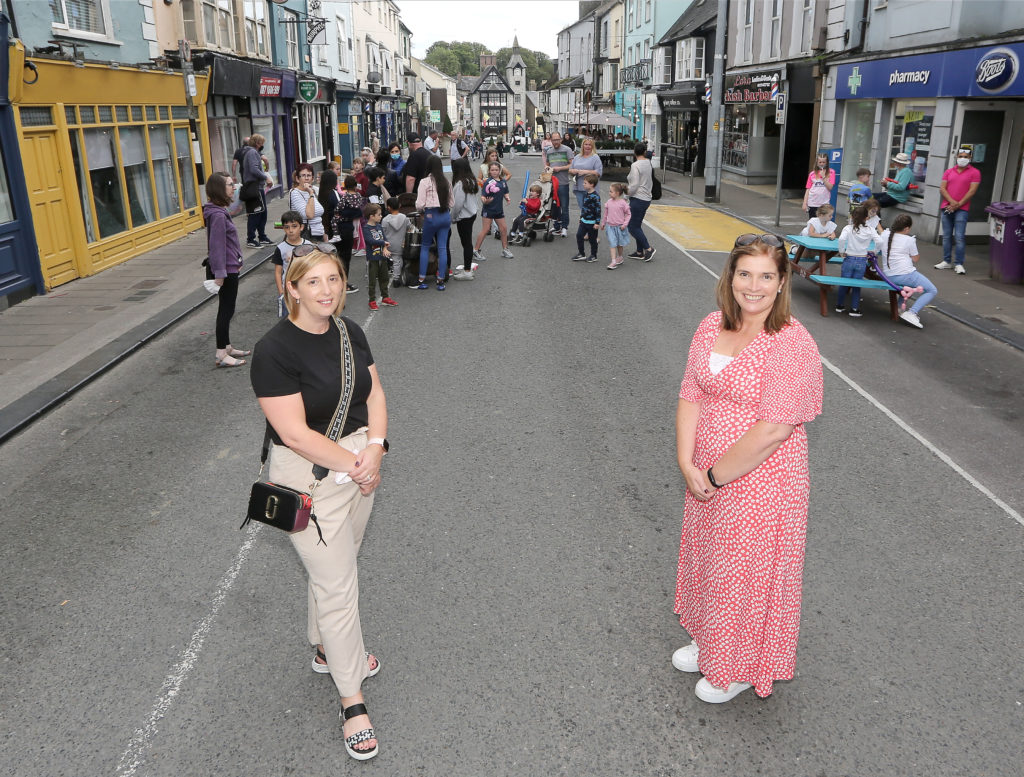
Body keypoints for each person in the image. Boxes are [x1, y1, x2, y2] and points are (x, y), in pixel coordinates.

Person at [250, 246, 388, 761]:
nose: (327, 290)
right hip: (309, 474)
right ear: (292, 288)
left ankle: (328, 649)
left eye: (334, 279)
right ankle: (351, 699)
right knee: (337, 585)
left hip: (358, 461)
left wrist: (375, 448)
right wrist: (356, 464)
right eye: (314, 282)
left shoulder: (350, 332)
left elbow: (374, 393)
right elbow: (294, 434)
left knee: (340, 565)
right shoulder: (273, 351)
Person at [673, 232, 823, 704]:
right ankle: (711, 643)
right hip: (706, 471)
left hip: (761, 478)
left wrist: (713, 475)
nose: (752, 286)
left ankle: (737, 668)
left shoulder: (791, 342)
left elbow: (774, 430)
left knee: (747, 571)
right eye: (744, 274)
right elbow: (690, 393)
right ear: (730, 277)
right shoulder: (710, 325)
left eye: (766, 276)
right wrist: (686, 463)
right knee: (711, 557)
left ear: (782, 283)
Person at [203, 172, 249, 367]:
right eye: (230, 185)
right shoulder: (218, 216)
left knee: (228, 309)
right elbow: (217, 247)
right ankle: (221, 353)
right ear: (219, 189)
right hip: (227, 270)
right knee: (225, 311)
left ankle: (227, 346)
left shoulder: (219, 211)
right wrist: (220, 275)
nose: (233, 187)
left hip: (230, 267)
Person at [879, 214, 938, 329]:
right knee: (932, 290)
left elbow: (880, 230)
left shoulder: (885, 235)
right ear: (906, 229)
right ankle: (912, 313)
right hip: (905, 274)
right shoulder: (909, 240)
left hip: (889, 276)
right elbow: (916, 258)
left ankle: (901, 309)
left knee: (908, 284)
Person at [935, 147, 981, 275]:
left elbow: (972, 191)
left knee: (959, 237)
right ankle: (946, 261)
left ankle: (959, 263)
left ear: (970, 158)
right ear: (956, 157)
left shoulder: (975, 172)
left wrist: (958, 204)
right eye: (960, 156)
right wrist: (951, 202)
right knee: (946, 236)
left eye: (966, 157)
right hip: (947, 207)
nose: (963, 159)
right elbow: (942, 188)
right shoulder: (949, 171)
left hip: (962, 209)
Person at [415, 154, 453, 290]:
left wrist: (422, 211)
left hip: (431, 216)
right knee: (442, 248)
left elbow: (419, 204)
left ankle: (421, 279)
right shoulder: (446, 181)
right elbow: (452, 202)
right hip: (445, 215)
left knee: (425, 246)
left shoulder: (424, 182)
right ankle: (441, 280)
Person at [835, 203, 876, 317]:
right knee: (857, 284)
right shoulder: (870, 229)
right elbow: (880, 241)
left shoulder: (848, 228)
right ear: (866, 218)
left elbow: (842, 239)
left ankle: (840, 305)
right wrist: (875, 251)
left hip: (849, 257)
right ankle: (854, 308)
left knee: (844, 282)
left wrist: (841, 251)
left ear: (852, 217)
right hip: (862, 259)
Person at [272, 210, 312, 318]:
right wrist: (281, 292)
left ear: (301, 227)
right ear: (283, 229)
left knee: (307, 317)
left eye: (294, 226)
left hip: (307, 289)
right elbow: (278, 272)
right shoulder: (280, 248)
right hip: (288, 291)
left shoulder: (309, 246)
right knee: (289, 320)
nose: (290, 230)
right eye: (287, 227)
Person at [331, 175, 364, 295]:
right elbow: (359, 209)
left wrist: (339, 214)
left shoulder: (345, 197)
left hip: (343, 228)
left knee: (341, 256)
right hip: (353, 227)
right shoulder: (358, 196)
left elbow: (338, 209)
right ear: (355, 185)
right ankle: (344, 282)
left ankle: (340, 281)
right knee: (346, 256)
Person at [474, 161, 512, 261]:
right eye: (492, 170)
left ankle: (505, 249)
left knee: (503, 229)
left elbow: (505, 192)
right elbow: (483, 196)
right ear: (489, 171)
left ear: (500, 171)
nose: (494, 172)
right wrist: (485, 201)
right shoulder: (487, 182)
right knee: (486, 229)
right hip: (488, 209)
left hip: (499, 210)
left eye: (496, 170)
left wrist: (507, 198)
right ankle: (476, 250)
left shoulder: (503, 182)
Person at [240, 134, 274, 247]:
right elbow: (254, 169)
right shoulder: (252, 153)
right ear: (258, 143)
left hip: (257, 187)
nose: (263, 145)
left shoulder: (251, 152)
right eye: (262, 142)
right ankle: (251, 239)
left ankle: (262, 236)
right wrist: (266, 177)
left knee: (262, 213)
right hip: (255, 188)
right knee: (256, 213)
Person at [449, 157, 480, 280]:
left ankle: (467, 271)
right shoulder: (471, 180)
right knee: (467, 242)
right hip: (472, 214)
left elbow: (457, 205)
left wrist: (453, 218)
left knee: (466, 243)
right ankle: (467, 268)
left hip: (464, 216)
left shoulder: (460, 184)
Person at [361, 204, 396, 310]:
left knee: (384, 278)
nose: (381, 216)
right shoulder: (366, 228)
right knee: (372, 281)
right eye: (379, 215)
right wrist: (383, 243)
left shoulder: (379, 227)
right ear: (371, 216)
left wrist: (385, 248)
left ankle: (385, 297)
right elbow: (370, 241)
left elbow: (385, 240)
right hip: (373, 259)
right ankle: (372, 300)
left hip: (382, 258)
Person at [626, 143, 656, 261]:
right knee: (637, 225)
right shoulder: (648, 162)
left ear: (634, 152)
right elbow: (649, 153)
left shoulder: (635, 165)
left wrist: (626, 194)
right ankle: (639, 252)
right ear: (644, 152)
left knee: (632, 227)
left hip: (638, 198)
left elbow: (634, 185)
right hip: (647, 197)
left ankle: (648, 249)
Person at [543, 133, 572, 236]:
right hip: (552, 183)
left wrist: (560, 169)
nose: (556, 142)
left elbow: (571, 164)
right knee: (554, 206)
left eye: (557, 139)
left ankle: (564, 227)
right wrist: (547, 168)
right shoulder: (549, 151)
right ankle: (556, 226)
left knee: (564, 206)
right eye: (554, 140)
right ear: (551, 140)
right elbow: (547, 164)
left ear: (561, 139)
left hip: (563, 183)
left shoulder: (567, 150)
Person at [570, 173, 601, 263]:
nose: (583, 184)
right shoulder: (585, 194)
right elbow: (584, 208)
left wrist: (597, 223)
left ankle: (594, 255)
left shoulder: (596, 196)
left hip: (592, 223)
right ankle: (581, 254)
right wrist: (581, 218)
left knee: (592, 240)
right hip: (584, 221)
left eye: (585, 183)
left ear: (591, 184)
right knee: (579, 235)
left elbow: (598, 210)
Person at [290, 163, 325, 240]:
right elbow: (309, 215)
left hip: (319, 233)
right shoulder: (295, 193)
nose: (306, 178)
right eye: (303, 175)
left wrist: (324, 234)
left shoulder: (314, 190)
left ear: (312, 178)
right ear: (297, 179)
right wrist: (311, 194)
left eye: (308, 175)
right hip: (307, 235)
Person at [569, 137, 604, 215]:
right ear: (582, 145)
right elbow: (570, 170)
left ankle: (592, 225)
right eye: (586, 144)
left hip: (590, 188)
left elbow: (598, 172)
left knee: (591, 210)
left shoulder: (595, 157)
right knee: (582, 210)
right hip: (579, 188)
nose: (587, 146)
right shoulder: (577, 157)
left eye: (589, 145)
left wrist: (586, 172)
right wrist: (573, 171)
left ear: (592, 146)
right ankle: (584, 225)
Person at [601, 182, 631, 270]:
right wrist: (603, 223)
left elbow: (629, 214)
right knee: (612, 243)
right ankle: (613, 261)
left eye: (611, 191)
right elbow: (606, 214)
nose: (609, 193)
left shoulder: (623, 203)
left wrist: (625, 224)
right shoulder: (609, 202)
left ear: (617, 193)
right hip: (610, 227)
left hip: (620, 227)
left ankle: (620, 257)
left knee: (619, 244)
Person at [382, 197, 411, 286]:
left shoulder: (385, 220)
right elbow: (409, 228)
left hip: (388, 244)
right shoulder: (404, 218)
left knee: (384, 260)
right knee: (397, 261)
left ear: (388, 207)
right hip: (400, 244)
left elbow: (383, 232)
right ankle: (396, 278)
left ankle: (381, 275)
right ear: (400, 205)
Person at [801, 153, 834, 219]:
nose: (822, 164)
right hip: (813, 202)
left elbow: (830, 187)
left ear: (827, 163)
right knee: (813, 222)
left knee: (824, 222)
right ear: (817, 163)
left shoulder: (831, 172)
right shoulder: (812, 174)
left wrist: (824, 177)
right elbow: (808, 189)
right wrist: (804, 203)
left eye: (824, 162)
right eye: (820, 162)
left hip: (824, 203)